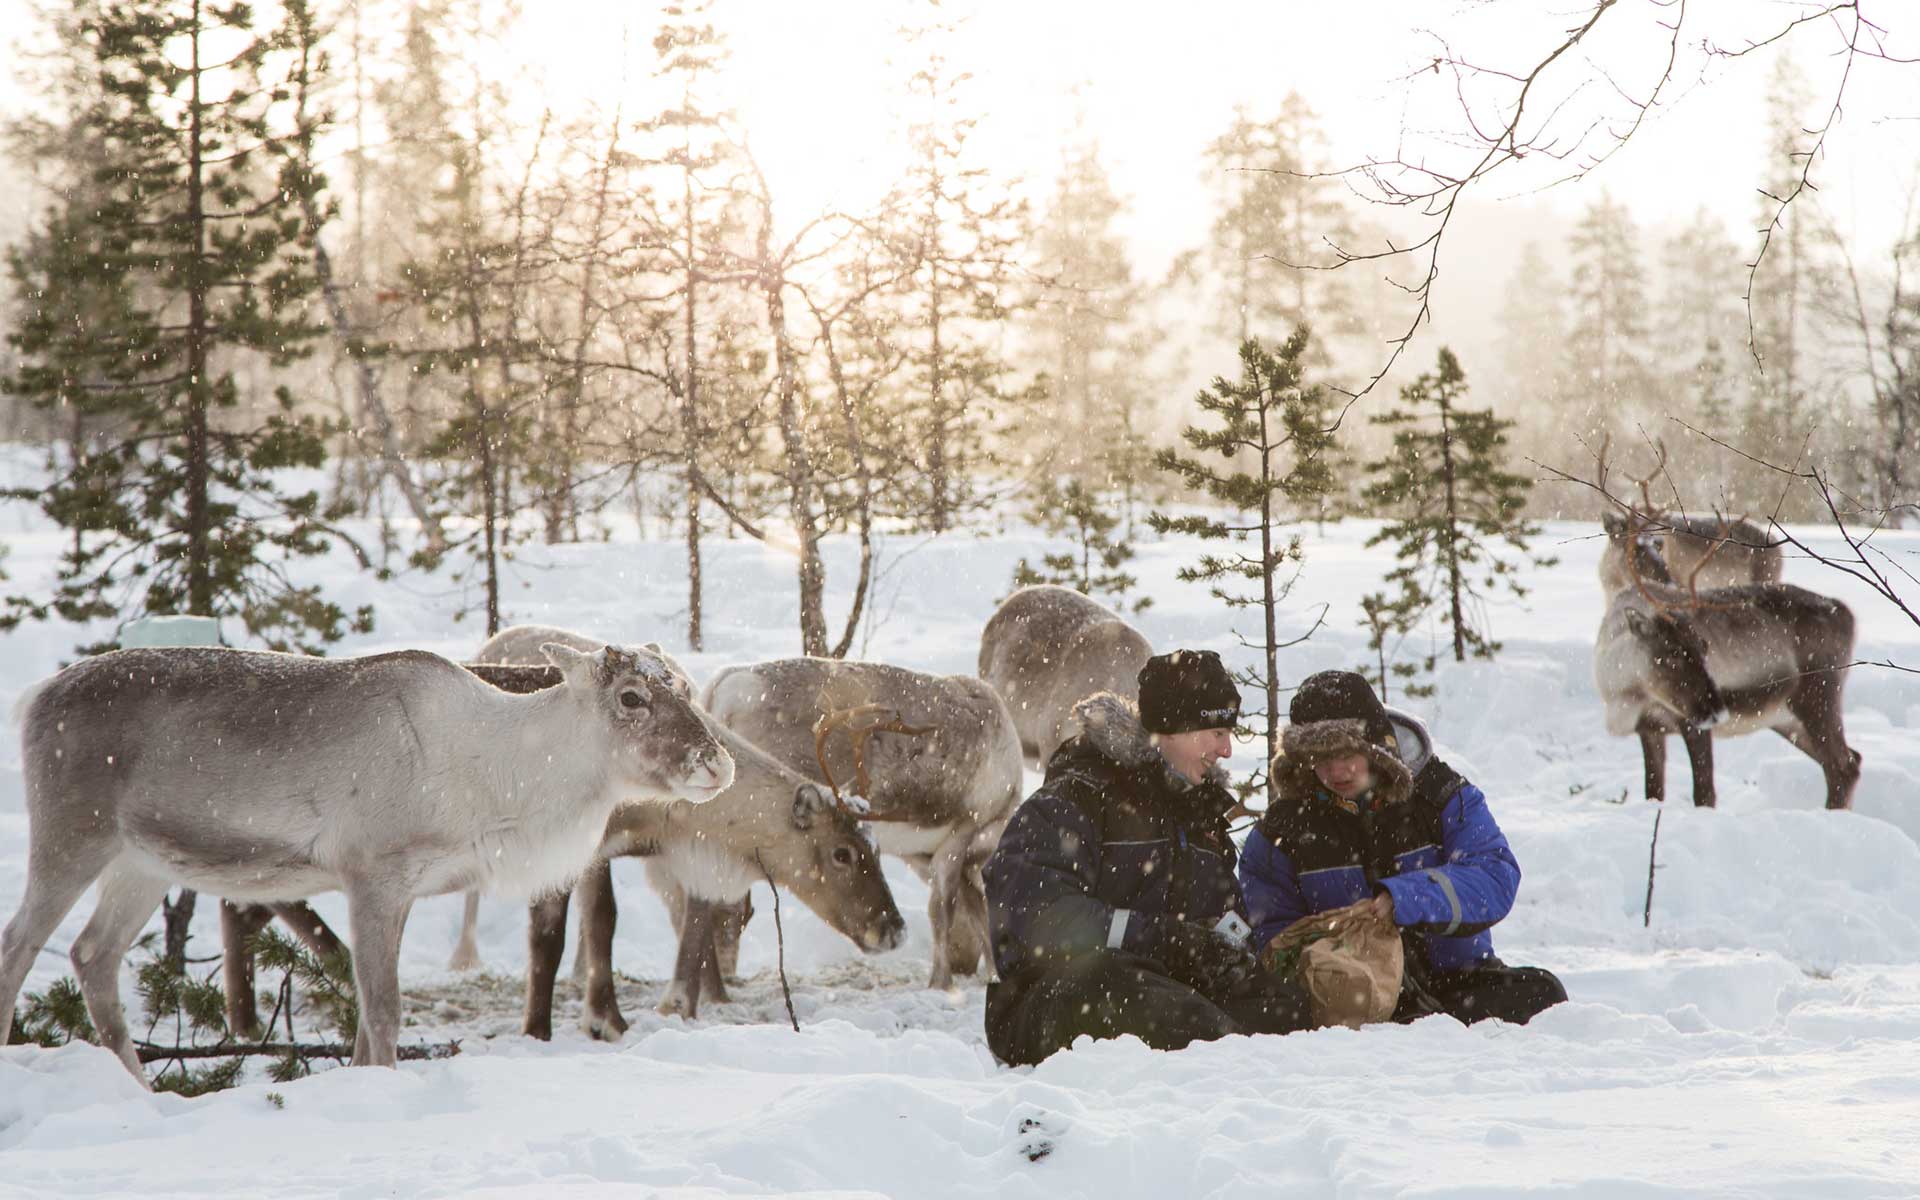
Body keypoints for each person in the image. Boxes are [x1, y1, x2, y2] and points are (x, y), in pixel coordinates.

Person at [983, 649, 1313, 1066]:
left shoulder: (1199, 814)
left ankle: (1228, 1059)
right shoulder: (1077, 796)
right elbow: (1034, 916)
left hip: (1167, 991)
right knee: (1138, 997)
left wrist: (1224, 949)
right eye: (1216, 732)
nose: (1226, 750)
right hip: (1056, 997)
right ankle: (1220, 1054)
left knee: (1287, 1010)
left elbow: (1224, 920)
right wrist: (1164, 940)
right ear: (1174, 728)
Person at [1239, 669, 1567, 1026]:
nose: (1337, 770)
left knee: (1543, 994)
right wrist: (1334, 946)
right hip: (1353, 997)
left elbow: (1494, 876)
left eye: (1347, 752)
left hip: (1457, 981)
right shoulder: (1281, 832)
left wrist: (1402, 899)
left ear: (1376, 745)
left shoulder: (1440, 795)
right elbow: (1271, 937)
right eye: (1320, 757)